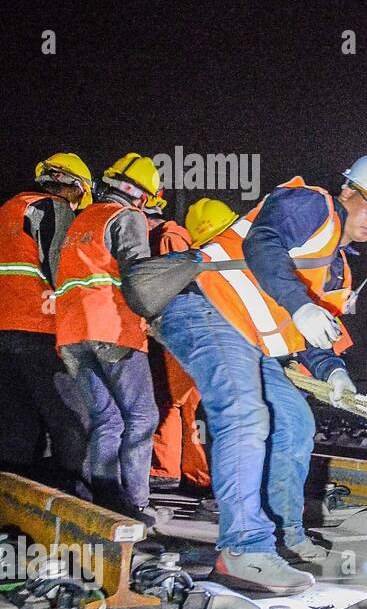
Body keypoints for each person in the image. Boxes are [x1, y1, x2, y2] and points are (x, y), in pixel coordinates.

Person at [157, 152, 367, 592]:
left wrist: (332, 369)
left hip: (250, 339)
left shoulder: (339, 268)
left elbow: (311, 332)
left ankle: (285, 537)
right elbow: (263, 243)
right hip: (204, 307)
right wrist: (301, 306)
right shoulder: (311, 204)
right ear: (347, 190)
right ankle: (245, 550)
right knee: (244, 414)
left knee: (295, 423)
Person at [55, 153, 162, 519]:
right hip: (112, 330)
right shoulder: (127, 217)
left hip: (71, 335)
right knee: (142, 416)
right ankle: (135, 504)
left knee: (108, 420)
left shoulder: (80, 220)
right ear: (141, 195)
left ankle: (102, 499)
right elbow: (139, 276)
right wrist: (156, 317)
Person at [0, 154, 92, 496]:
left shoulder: (9, 208)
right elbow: (61, 269)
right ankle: (78, 504)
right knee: (71, 420)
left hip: (4, 332)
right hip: (40, 328)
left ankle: (13, 502)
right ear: (77, 189)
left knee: (17, 424)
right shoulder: (55, 208)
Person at [144, 200, 210, 492]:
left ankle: (176, 471)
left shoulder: (169, 238)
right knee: (182, 403)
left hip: (179, 333)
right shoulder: (168, 237)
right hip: (182, 332)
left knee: (177, 401)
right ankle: (188, 472)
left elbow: (174, 288)